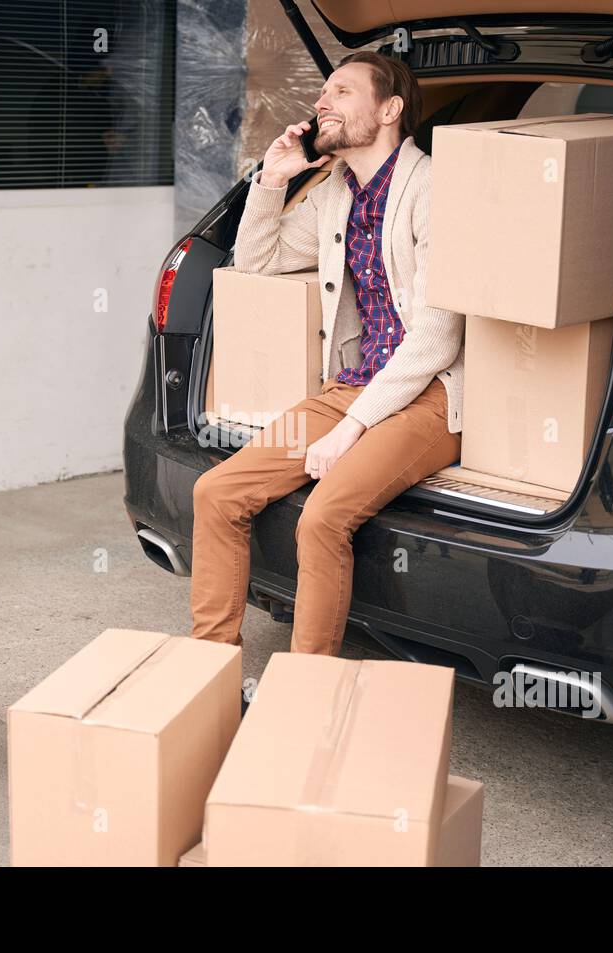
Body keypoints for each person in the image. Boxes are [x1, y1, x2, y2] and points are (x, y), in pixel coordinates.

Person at [190, 51, 465, 658]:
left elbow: (441, 333)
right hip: (352, 387)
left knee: (322, 518)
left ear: (388, 110)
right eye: (323, 91)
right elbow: (257, 261)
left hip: (429, 395)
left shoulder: (434, 189)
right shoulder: (336, 191)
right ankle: (204, 672)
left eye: (341, 91)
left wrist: (353, 429)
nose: (322, 101)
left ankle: (305, 685)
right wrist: (273, 178)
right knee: (217, 493)